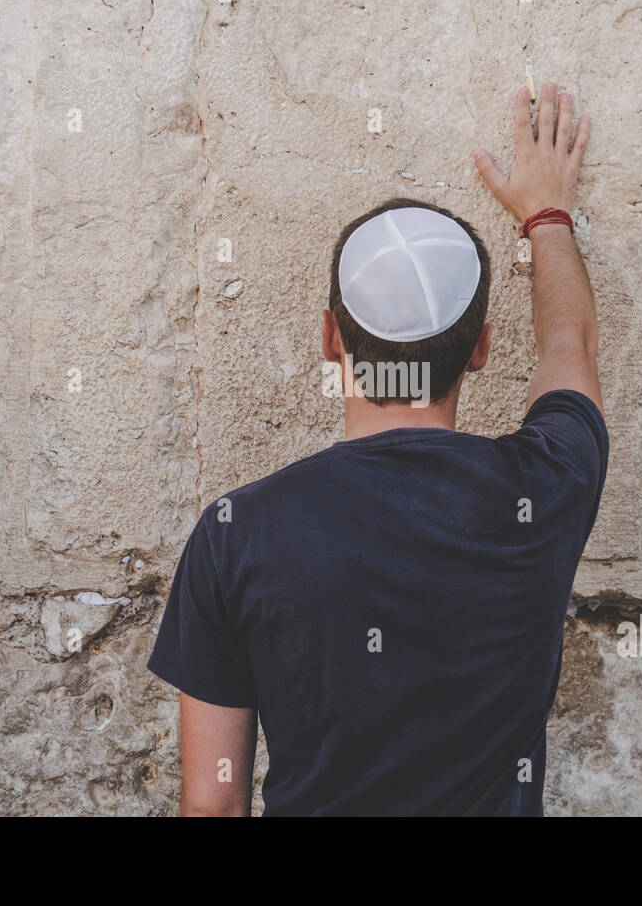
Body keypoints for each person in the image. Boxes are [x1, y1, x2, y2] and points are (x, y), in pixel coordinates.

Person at [146, 82, 608, 815]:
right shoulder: (546, 493)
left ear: (331, 339)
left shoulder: (236, 535)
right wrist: (546, 214)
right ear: (483, 350)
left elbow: (212, 806)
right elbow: (569, 348)